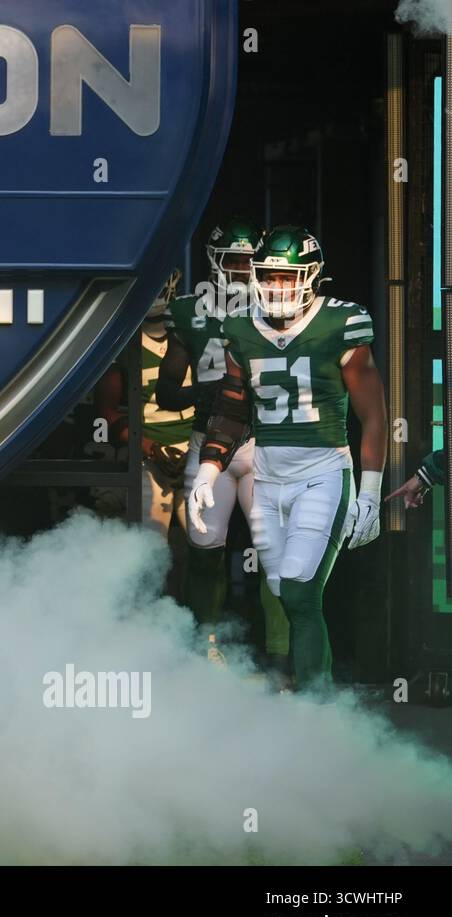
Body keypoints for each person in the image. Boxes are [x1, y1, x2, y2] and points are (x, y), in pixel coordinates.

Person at [190, 226, 388, 692]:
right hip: (267, 477)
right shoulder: (239, 327)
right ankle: (315, 702)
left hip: (322, 474)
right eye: (270, 276)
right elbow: (235, 406)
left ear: (311, 277)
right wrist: (208, 467)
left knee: (300, 590)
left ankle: (319, 706)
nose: (277, 287)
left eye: (287, 276)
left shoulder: (342, 323)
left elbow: (374, 415)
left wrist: (372, 493)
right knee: (286, 594)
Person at [156, 217, 291, 677]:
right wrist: (204, 394)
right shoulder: (190, 312)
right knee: (204, 548)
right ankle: (204, 643)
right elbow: (166, 392)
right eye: (233, 261)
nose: (240, 270)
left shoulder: (279, 308)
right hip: (208, 440)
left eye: (249, 262)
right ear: (214, 262)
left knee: (275, 552)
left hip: (264, 445)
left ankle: (279, 654)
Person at [92, 267, 193, 539]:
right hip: (150, 459)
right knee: (151, 552)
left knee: (208, 547)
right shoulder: (123, 341)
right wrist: (151, 448)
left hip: (197, 455)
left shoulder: (194, 330)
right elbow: (107, 416)